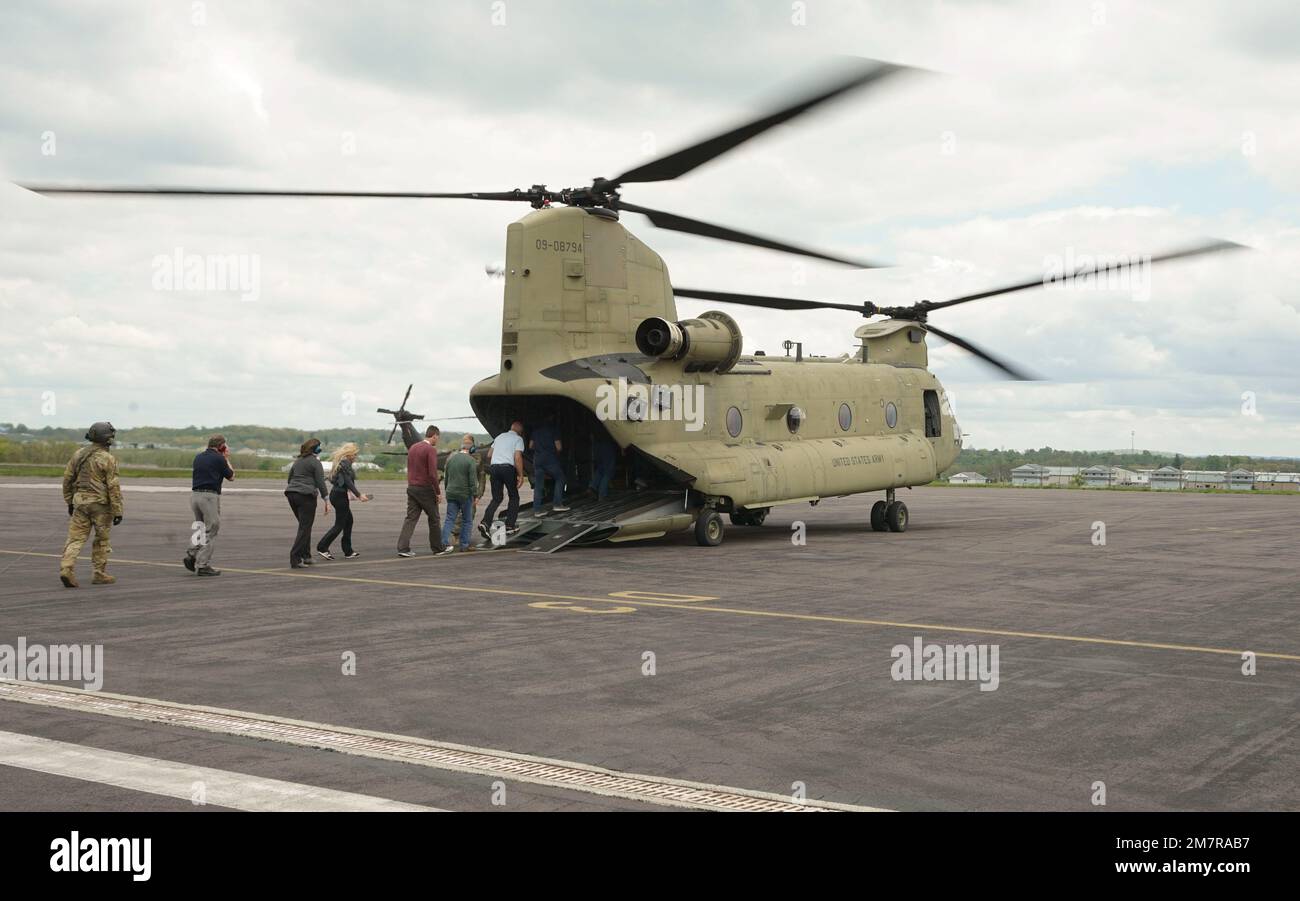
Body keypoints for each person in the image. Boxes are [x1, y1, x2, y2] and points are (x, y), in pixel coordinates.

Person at [59, 421, 124, 588]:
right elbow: (113, 486)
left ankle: (67, 568)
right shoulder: (108, 459)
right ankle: (99, 573)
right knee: (101, 539)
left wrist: (69, 501)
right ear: (107, 439)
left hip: (80, 502)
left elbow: (68, 479)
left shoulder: (79, 454)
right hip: (100, 505)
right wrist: (118, 510)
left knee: (75, 538)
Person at [183, 434, 234, 577]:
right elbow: (231, 476)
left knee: (201, 526)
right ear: (221, 446)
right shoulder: (219, 458)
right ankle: (202, 564)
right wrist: (226, 458)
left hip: (195, 496)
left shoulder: (199, 456)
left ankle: (192, 553)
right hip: (209, 496)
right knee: (212, 528)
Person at [317, 442, 370, 560]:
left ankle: (348, 550)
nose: (356, 457)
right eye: (355, 454)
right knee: (339, 524)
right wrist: (359, 495)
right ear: (349, 454)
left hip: (337, 495)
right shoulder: (345, 463)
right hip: (339, 496)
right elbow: (347, 481)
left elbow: (336, 480)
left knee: (349, 521)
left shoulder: (341, 463)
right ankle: (322, 547)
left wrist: (356, 495)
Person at [397, 425, 443, 557]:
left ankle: (403, 548)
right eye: (437, 438)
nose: (437, 440)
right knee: (434, 518)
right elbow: (432, 474)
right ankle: (438, 548)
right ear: (434, 436)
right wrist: (438, 492)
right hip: (425, 488)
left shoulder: (413, 447)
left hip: (412, 487)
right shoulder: (430, 449)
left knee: (410, 518)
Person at [285, 438, 330, 568]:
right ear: (316, 449)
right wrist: (326, 500)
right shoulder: (315, 462)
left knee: (305, 526)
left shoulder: (297, 461)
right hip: (306, 496)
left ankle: (307, 556)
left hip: (291, 494)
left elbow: (290, 479)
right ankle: (295, 558)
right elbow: (320, 483)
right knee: (305, 527)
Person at [479, 420, 525, 541]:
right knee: (514, 496)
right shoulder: (518, 439)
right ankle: (510, 525)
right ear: (520, 431)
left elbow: (489, 454)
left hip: (494, 468)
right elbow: (518, 457)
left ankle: (485, 522)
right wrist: (520, 475)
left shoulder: (499, 437)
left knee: (496, 498)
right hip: (507, 468)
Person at [439, 435, 482, 554]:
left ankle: (444, 543)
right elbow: (473, 481)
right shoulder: (471, 460)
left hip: (451, 493)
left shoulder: (451, 459)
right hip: (465, 495)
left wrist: (447, 490)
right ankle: (464, 545)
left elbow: (447, 477)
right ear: (470, 449)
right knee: (467, 520)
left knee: (449, 519)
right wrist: (475, 495)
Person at [529, 415, 569, 515]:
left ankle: (537, 510)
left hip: (537, 460)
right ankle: (557, 504)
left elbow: (530, 446)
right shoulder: (554, 430)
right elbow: (559, 447)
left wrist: (539, 449)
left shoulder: (536, 431)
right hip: (550, 459)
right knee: (561, 478)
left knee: (538, 485)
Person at [590, 432, 617, 500]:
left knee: (601, 468)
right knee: (608, 470)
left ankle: (593, 486)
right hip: (606, 443)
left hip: (597, 444)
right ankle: (602, 493)